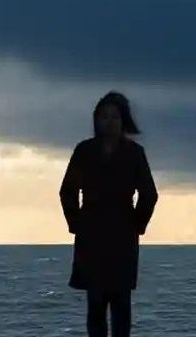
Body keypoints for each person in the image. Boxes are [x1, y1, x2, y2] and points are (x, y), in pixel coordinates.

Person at [60, 91, 159, 337]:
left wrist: (137, 224)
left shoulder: (134, 153)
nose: (110, 122)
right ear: (96, 120)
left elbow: (149, 194)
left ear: (123, 120)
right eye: (104, 117)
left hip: (122, 232)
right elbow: (68, 191)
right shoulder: (84, 151)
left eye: (115, 117)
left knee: (121, 303)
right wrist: (76, 223)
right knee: (95, 303)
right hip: (91, 233)